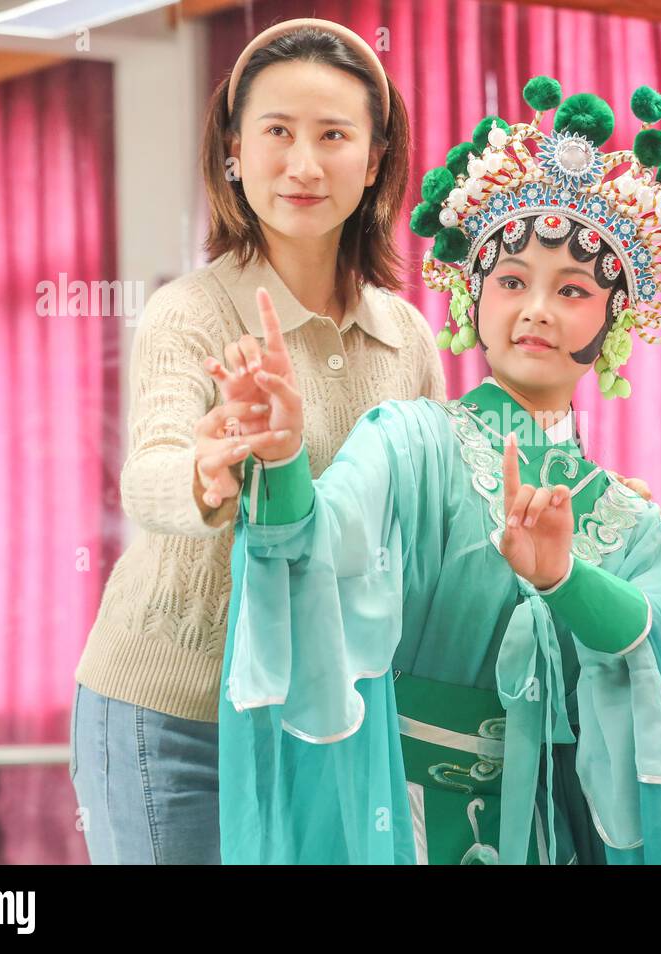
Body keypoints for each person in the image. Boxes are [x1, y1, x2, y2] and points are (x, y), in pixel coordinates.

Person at [215, 76, 661, 863]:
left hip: (550, 832)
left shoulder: (629, 519)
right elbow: (314, 547)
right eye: (512, 281)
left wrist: (564, 580)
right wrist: (281, 460)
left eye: (573, 290)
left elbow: (654, 649)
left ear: (613, 321)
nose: (537, 309)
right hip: (398, 820)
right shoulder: (407, 442)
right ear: (472, 298)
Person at [70, 18, 446, 864]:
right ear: (234, 151)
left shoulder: (407, 338)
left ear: (375, 161)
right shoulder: (190, 311)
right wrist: (207, 472)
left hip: (326, 717)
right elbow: (150, 472)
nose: (303, 164)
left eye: (334, 136)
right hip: (176, 716)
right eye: (276, 132)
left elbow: (433, 516)